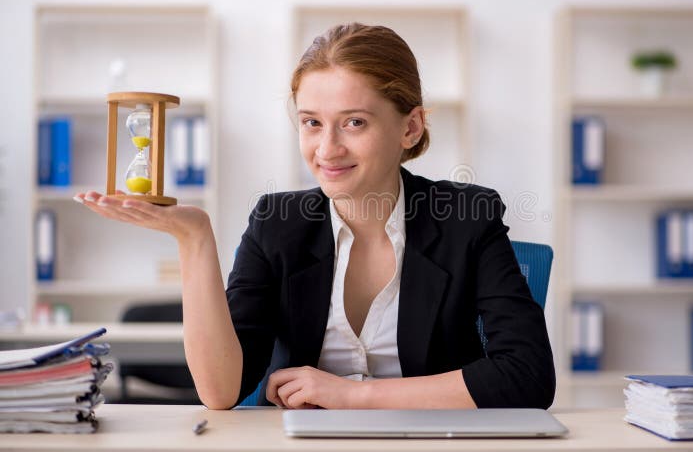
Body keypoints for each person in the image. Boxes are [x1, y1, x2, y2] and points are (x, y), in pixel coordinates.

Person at [75, 23, 555, 410]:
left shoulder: (467, 218)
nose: (327, 149)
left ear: (410, 127)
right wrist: (194, 239)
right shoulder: (276, 223)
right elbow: (221, 392)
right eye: (311, 123)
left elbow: (528, 376)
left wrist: (352, 395)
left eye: (354, 122)